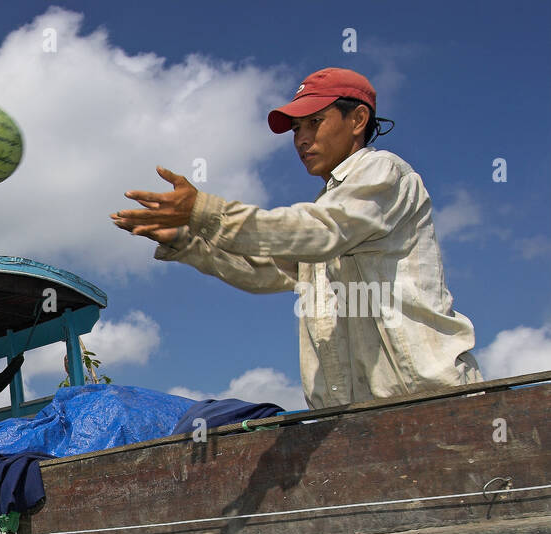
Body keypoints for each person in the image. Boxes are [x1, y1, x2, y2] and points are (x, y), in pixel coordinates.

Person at [112, 67, 482, 409]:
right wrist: (187, 240)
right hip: (357, 421)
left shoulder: (383, 172)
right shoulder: (326, 211)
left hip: (431, 404)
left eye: (315, 123)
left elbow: (320, 231)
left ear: (357, 119)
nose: (302, 140)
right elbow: (264, 272)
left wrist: (206, 212)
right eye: (295, 130)